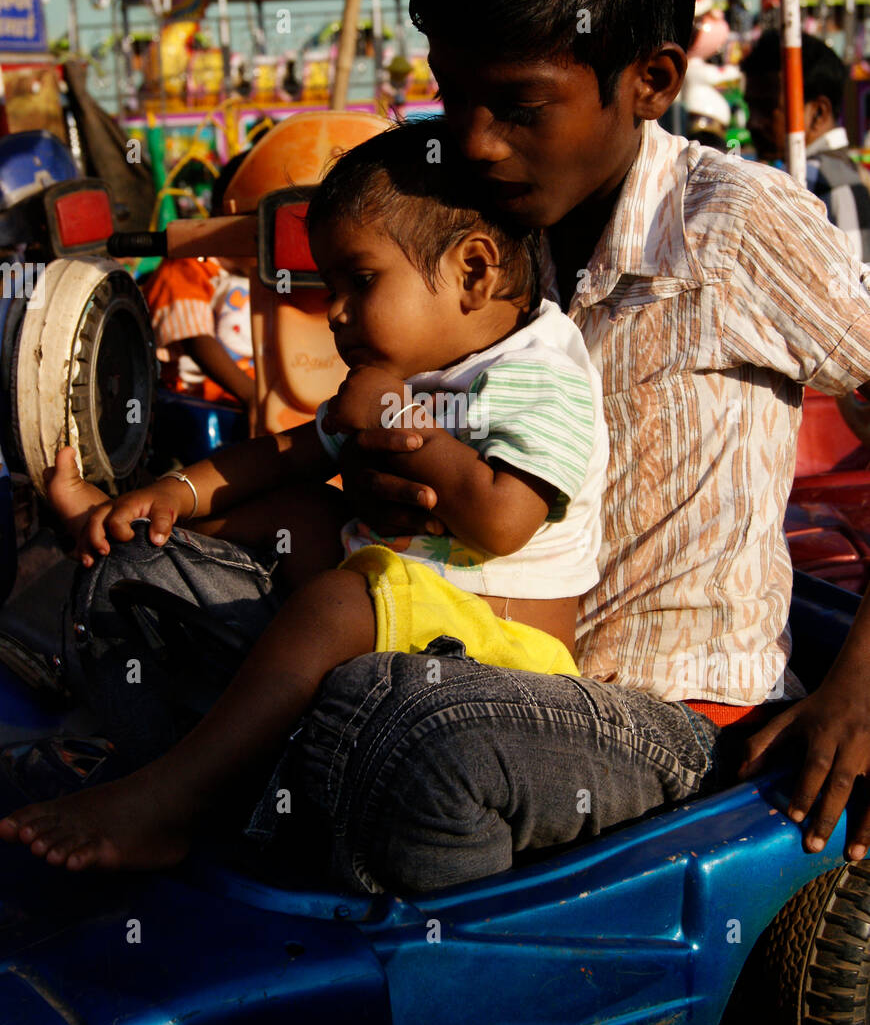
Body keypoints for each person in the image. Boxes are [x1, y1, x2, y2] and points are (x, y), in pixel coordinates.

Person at [8, 0, 870, 895]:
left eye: (516, 105)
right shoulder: (471, 217)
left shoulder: (736, 227)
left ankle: (248, 803)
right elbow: (345, 454)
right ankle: (229, 798)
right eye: (451, 95)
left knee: (417, 735)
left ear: (648, 80)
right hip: (444, 642)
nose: (473, 139)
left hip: (657, 720)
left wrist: (863, 686)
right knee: (140, 587)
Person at [0, 122, 607, 870]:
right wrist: (173, 493)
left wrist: (396, 421)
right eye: (330, 287)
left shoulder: (538, 374)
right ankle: (125, 526)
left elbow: (504, 520)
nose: (337, 312)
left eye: (362, 281)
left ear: (474, 272)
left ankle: (170, 802)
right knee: (302, 513)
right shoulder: (417, 366)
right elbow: (286, 455)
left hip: (505, 652)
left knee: (337, 602)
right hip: (411, 600)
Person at [742, 29, 870, 259]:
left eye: (766, 108)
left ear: (818, 112)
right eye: (751, 108)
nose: (752, 122)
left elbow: (852, 289)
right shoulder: (823, 175)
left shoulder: (825, 180)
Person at [143, 254, 257, 410]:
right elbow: (194, 338)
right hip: (196, 401)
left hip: (254, 397)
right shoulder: (186, 265)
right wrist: (252, 396)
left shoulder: (264, 277)